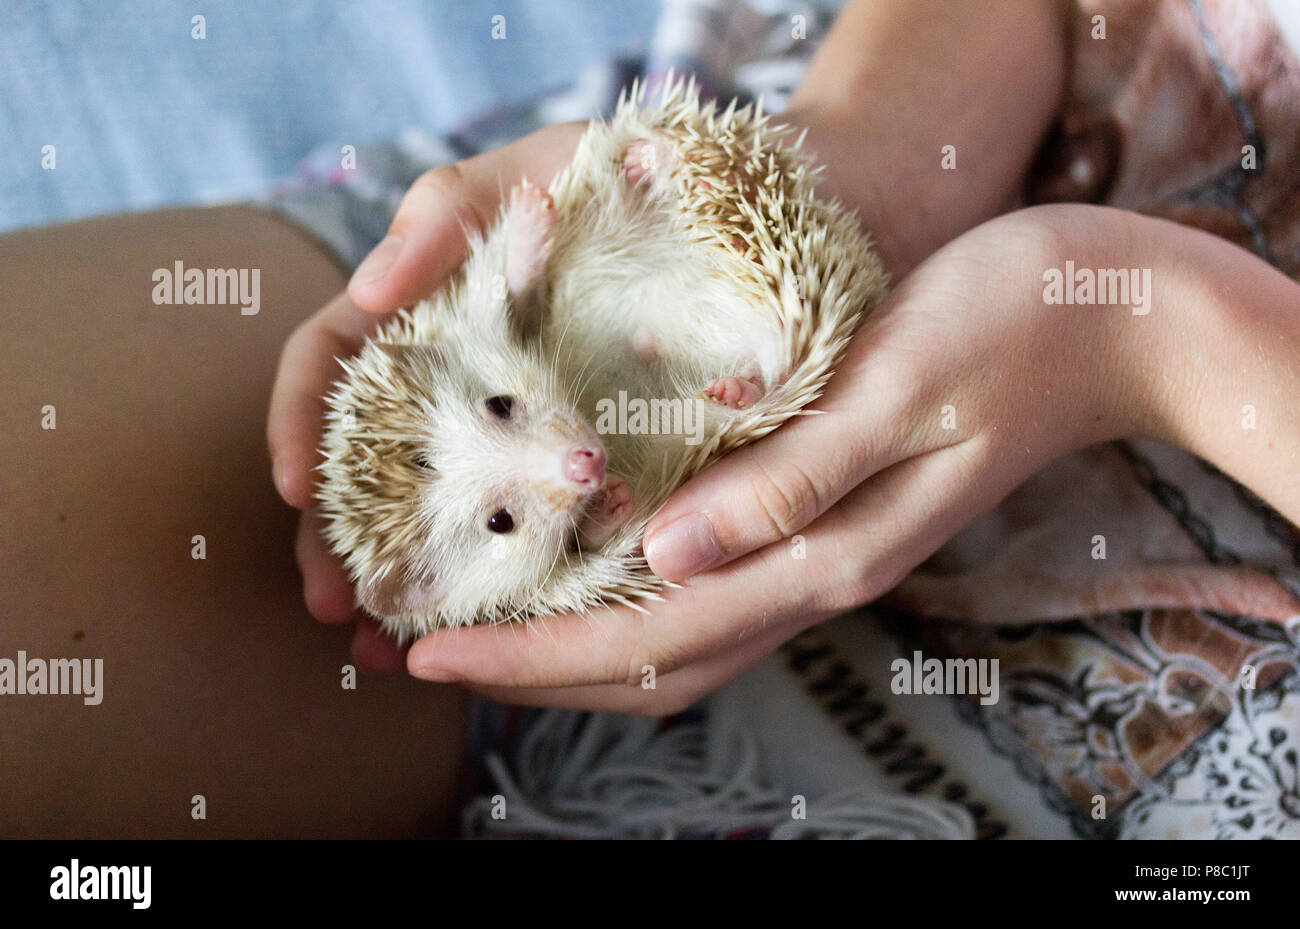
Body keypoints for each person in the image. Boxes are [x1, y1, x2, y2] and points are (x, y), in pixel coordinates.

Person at [270, 0, 1300, 716]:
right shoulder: (482, 356)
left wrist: (1135, 324)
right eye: (502, 521)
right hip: (845, 110)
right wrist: (871, 166)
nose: (565, 464)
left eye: (500, 410)